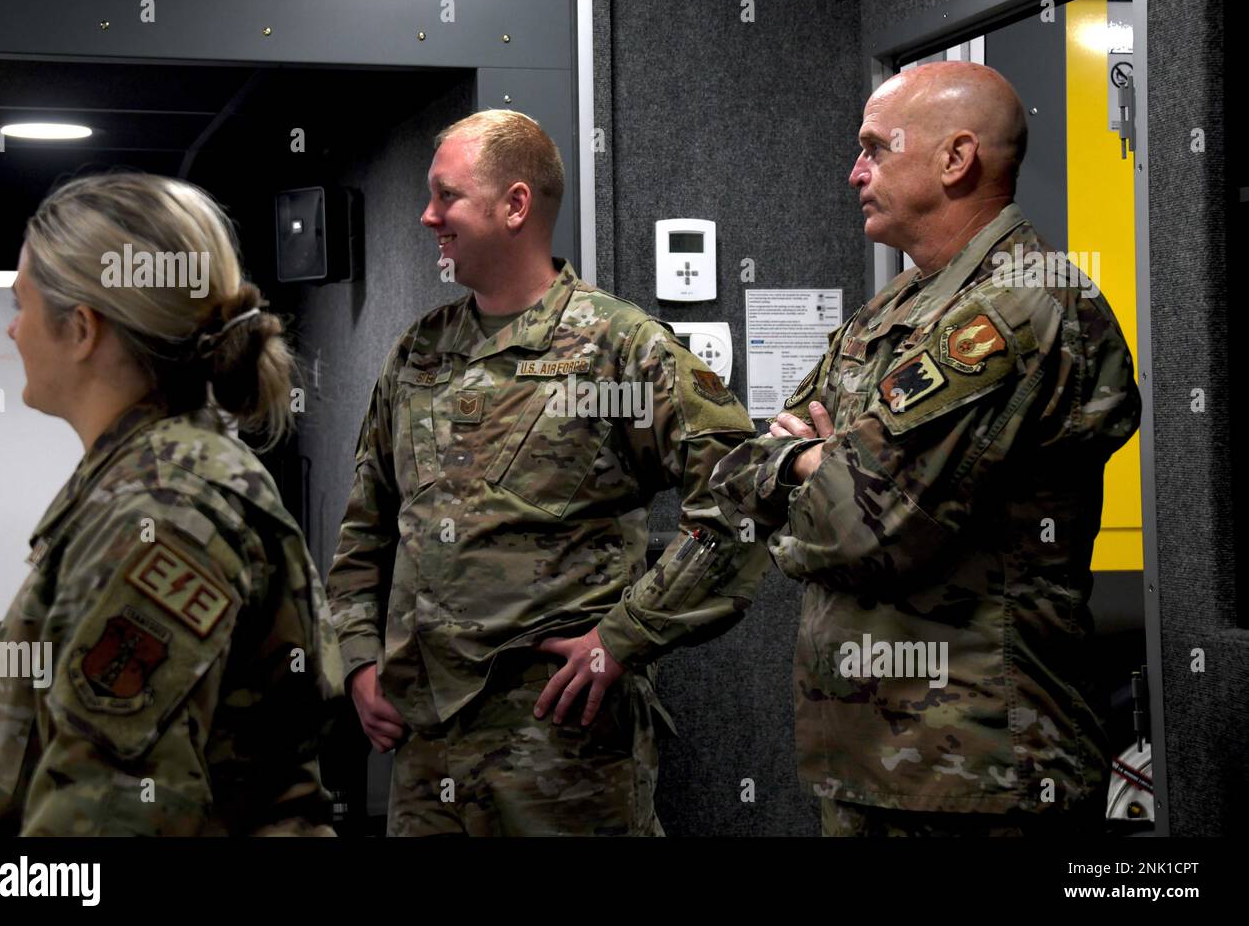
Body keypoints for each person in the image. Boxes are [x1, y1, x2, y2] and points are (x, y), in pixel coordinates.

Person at [710, 61, 1142, 836]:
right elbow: (748, 460)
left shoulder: (1019, 308)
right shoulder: (900, 305)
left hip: (983, 777)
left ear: (955, 159)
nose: (854, 171)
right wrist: (812, 462)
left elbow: (853, 529)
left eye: (875, 147)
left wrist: (812, 462)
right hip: (877, 761)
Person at [328, 109, 768, 836]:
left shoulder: (619, 351)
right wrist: (356, 658)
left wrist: (627, 636)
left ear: (516, 205)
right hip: (425, 745)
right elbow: (367, 524)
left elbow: (743, 498)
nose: (427, 215)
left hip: (560, 750)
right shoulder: (418, 355)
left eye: (447, 196)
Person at [0, 172, 343, 836]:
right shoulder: (151, 482)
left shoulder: (164, 512)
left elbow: (104, 820)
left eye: (21, 304)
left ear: (81, 329)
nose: (14, 330)